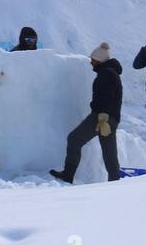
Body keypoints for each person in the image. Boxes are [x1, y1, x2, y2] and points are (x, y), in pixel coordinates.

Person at [50, 43, 122, 184]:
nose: (91, 62)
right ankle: (115, 182)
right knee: (109, 153)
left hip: (102, 116)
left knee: (74, 139)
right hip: (111, 117)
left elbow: (107, 96)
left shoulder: (106, 73)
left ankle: (68, 175)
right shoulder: (111, 72)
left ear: (100, 60)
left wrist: (103, 117)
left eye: (93, 59)